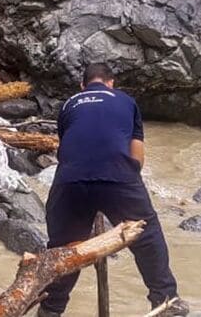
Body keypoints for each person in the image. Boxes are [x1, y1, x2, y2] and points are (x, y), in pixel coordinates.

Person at [38, 63, 189, 317]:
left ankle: (50, 310)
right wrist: (126, 190)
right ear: (111, 83)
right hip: (117, 175)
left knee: (64, 251)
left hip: (69, 180)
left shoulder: (68, 105)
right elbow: (137, 157)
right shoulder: (126, 101)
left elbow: (68, 149)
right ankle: (166, 301)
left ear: (83, 86)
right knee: (147, 235)